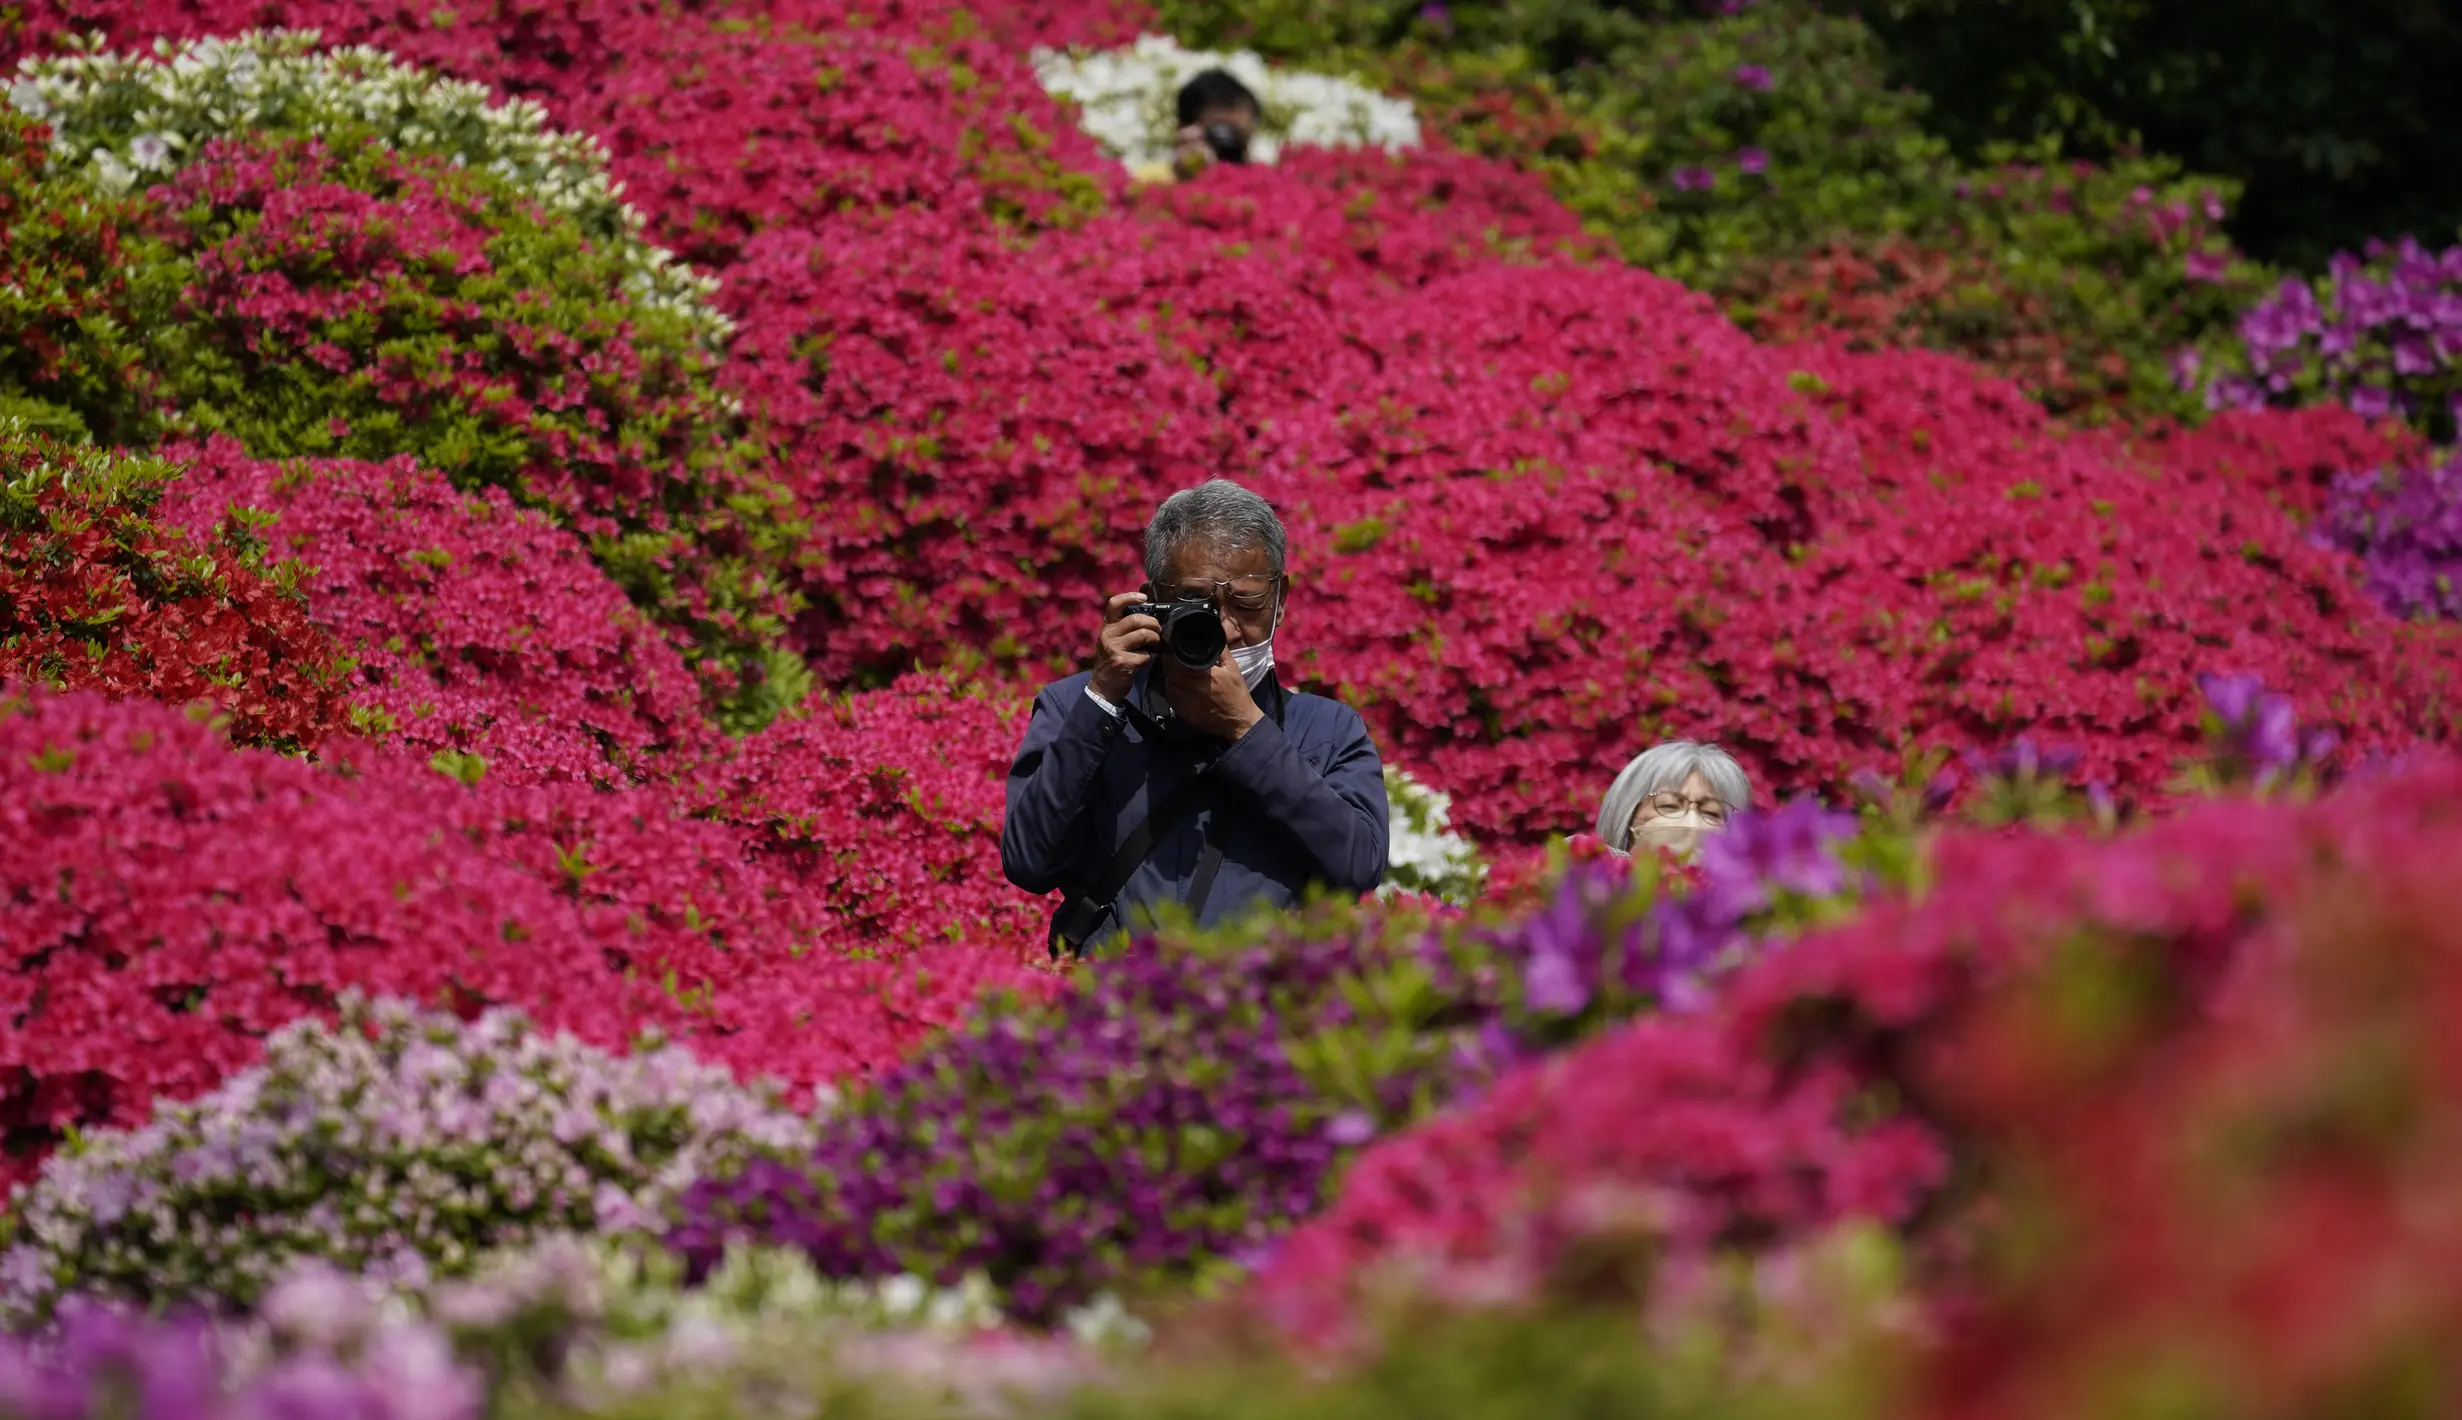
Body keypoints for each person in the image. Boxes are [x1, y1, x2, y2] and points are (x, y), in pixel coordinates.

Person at [1002, 479, 1388, 957]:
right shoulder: (1077, 707)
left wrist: (1246, 730)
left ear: (1280, 600)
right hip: (1117, 995)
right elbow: (1029, 862)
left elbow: (1358, 867)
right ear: (1151, 600)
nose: (1226, 627)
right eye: (1196, 602)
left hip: (1263, 998)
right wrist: (1101, 699)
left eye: (1248, 600)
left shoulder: (1329, 730)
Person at [1594, 740, 1752, 858]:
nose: (1692, 822)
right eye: (1669, 805)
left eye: (1711, 812)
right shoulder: (1590, 882)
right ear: (1627, 816)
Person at [1129, 68, 1262, 184]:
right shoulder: (1149, 181)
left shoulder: (1263, 181)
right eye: (1221, 133)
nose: (1230, 146)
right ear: (1184, 129)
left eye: (1239, 136)